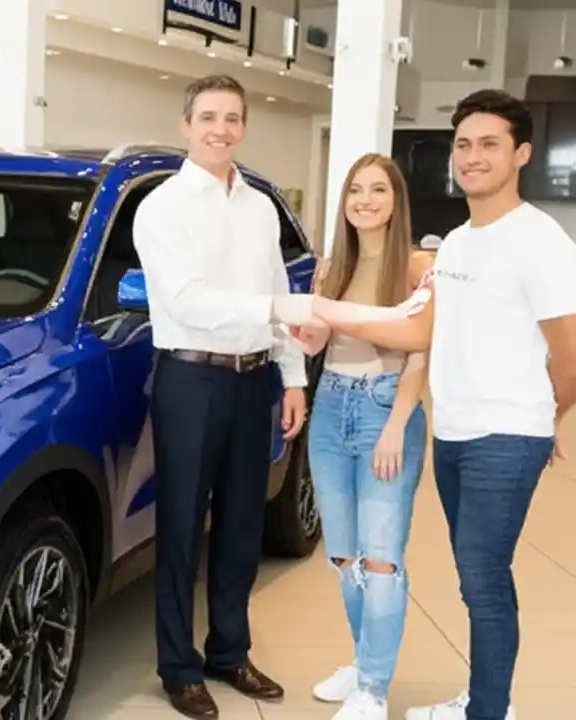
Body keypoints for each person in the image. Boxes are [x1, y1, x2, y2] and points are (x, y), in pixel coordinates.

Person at [404, 89, 576, 720]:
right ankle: (481, 698)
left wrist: (545, 420)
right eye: (463, 144)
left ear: (521, 154)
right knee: (473, 578)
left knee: (484, 579)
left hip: (504, 437)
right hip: (455, 432)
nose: (472, 156)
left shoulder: (541, 242)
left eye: (489, 144)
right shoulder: (458, 241)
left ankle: (488, 711)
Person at [132, 73, 312, 719]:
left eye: (232, 118)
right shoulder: (163, 206)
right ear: (186, 125)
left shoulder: (260, 206)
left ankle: (229, 652)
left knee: (242, 524)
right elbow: (186, 301)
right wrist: (273, 307)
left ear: (243, 126)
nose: (221, 129)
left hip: (253, 378)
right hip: (191, 378)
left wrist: (291, 377)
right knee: (180, 527)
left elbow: (279, 297)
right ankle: (178, 667)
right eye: (208, 117)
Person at [289, 153, 436, 720]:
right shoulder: (333, 267)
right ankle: (363, 660)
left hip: (386, 409)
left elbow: (420, 349)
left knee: (381, 560)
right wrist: (301, 332)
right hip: (332, 409)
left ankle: (373, 688)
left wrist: (397, 424)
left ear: (396, 199)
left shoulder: (418, 265)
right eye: (356, 190)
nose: (365, 200)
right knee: (344, 554)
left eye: (378, 189)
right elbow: (319, 343)